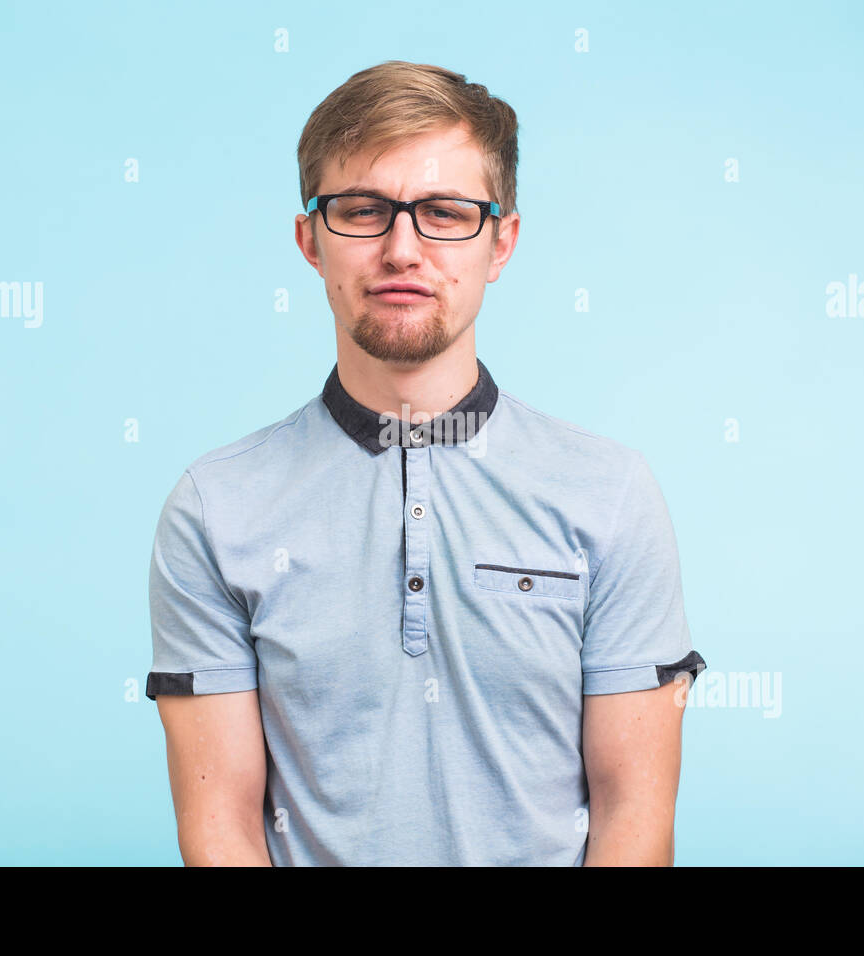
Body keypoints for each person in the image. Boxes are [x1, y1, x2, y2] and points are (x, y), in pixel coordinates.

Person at [146, 60, 706, 866]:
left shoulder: (610, 494)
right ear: (309, 240)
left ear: (501, 241)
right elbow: (221, 828)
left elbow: (634, 820)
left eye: (444, 212)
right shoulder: (215, 509)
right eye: (363, 210)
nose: (402, 249)